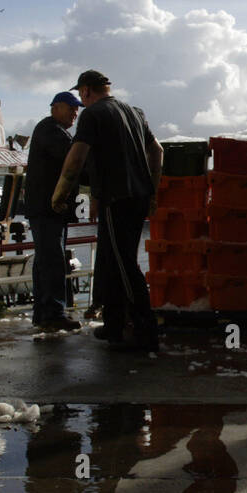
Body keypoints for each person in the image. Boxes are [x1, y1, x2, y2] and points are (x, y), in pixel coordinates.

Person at [51, 70, 163, 351]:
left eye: (80, 95)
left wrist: (60, 194)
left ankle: (145, 332)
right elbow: (157, 151)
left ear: (86, 91)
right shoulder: (135, 112)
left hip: (117, 199)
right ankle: (113, 326)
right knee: (113, 263)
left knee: (124, 266)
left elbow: (76, 158)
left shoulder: (93, 114)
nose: (81, 100)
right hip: (137, 197)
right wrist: (152, 191)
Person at [24, 92, 84, 332]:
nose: (75, 113)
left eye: (77, 109)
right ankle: (53, 314)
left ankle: (43, 313)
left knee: (45, 262)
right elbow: (71, 158)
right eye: (71, 108)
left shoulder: (51, 130)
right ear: (56, 107)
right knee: (53, 262)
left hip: (45, 209)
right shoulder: (51, 132)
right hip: (48, 209)